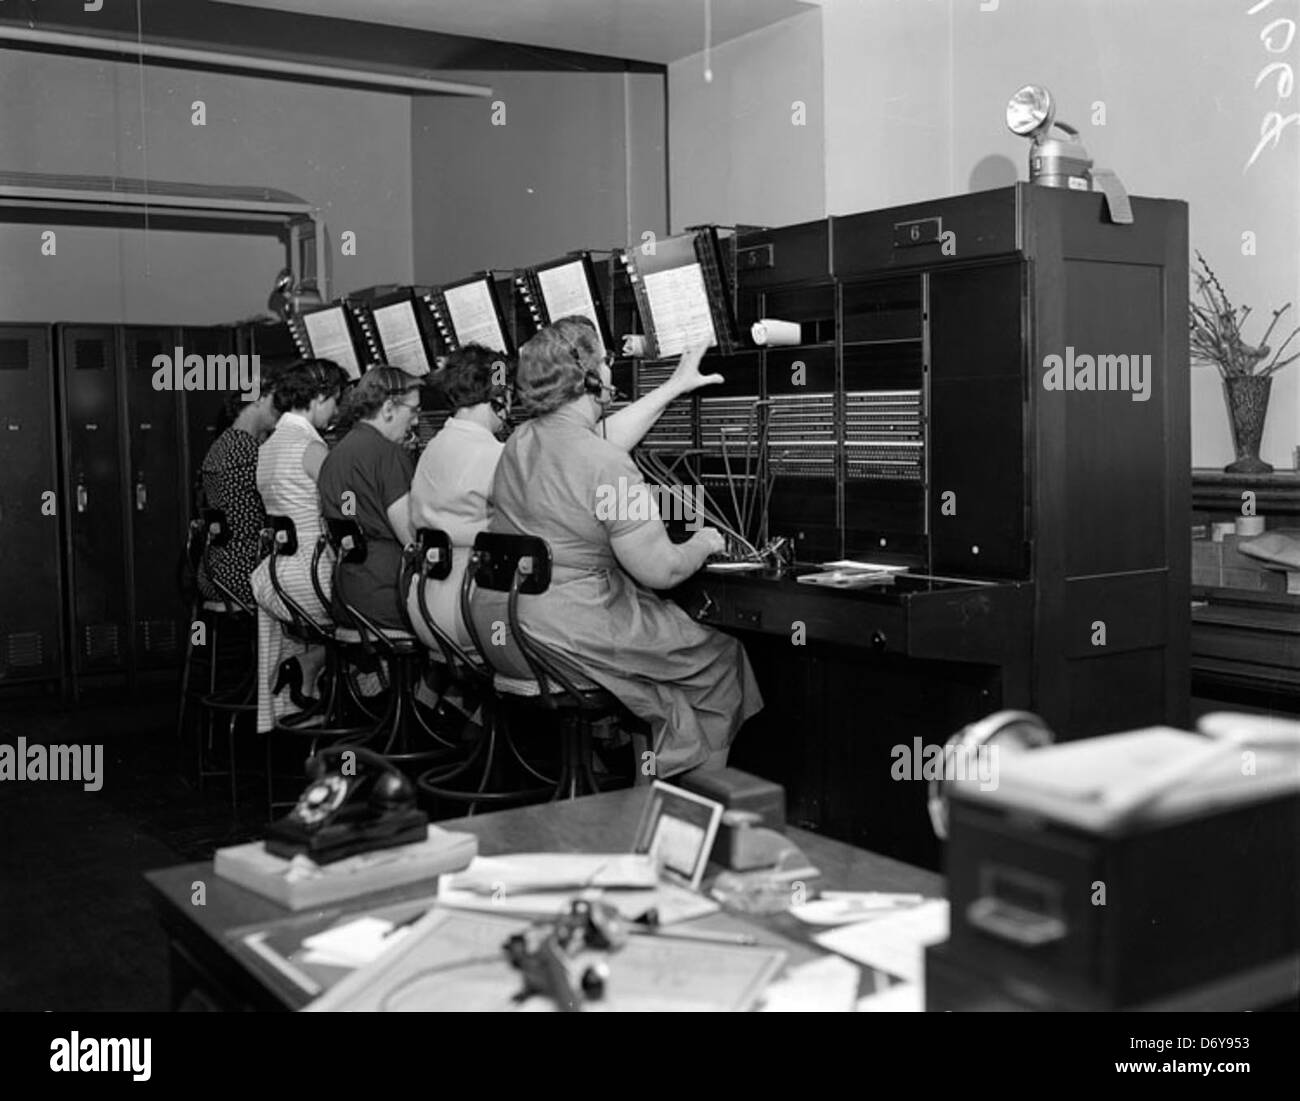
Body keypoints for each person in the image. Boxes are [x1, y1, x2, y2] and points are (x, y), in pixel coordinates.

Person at [470, 315, 763, 776]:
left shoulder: (518, 442)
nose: (611, 369)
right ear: (590, 377)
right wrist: (704, 542)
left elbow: (587, 444)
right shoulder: (608, 465)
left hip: (504, 624)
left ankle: (650, 792)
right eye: (606, 361)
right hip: (569, 629)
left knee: (660, 684)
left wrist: (673, 386)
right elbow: (660, 571)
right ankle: (695, 819)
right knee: (721, 661)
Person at [249, 358, 348, 732]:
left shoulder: (269, 446)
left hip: (276, 576)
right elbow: (343, 509)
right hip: (313, 577)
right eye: (335, 401)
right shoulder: (312, 448)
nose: (336, 411)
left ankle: (316, 687)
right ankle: (368, 720)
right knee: (382, 614)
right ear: (320, 396)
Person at [405, 344, 511, 651]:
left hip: (424, 607)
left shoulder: (433, 447)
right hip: (474, 614)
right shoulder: (497, 455)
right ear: (499, 398)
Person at [317, 367, 420, 634]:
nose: (416, 421)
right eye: (413, 410)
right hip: (389, 597)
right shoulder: (389, 456)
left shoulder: (334, 456)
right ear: (388, 408)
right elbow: (411, 541)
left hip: (346, 596)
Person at [195, 360, 284, 609]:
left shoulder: (223, 444)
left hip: (214, 569)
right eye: (276, 400)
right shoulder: (248, 451)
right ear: (258, 398)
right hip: (244, 572)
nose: (281, 409)